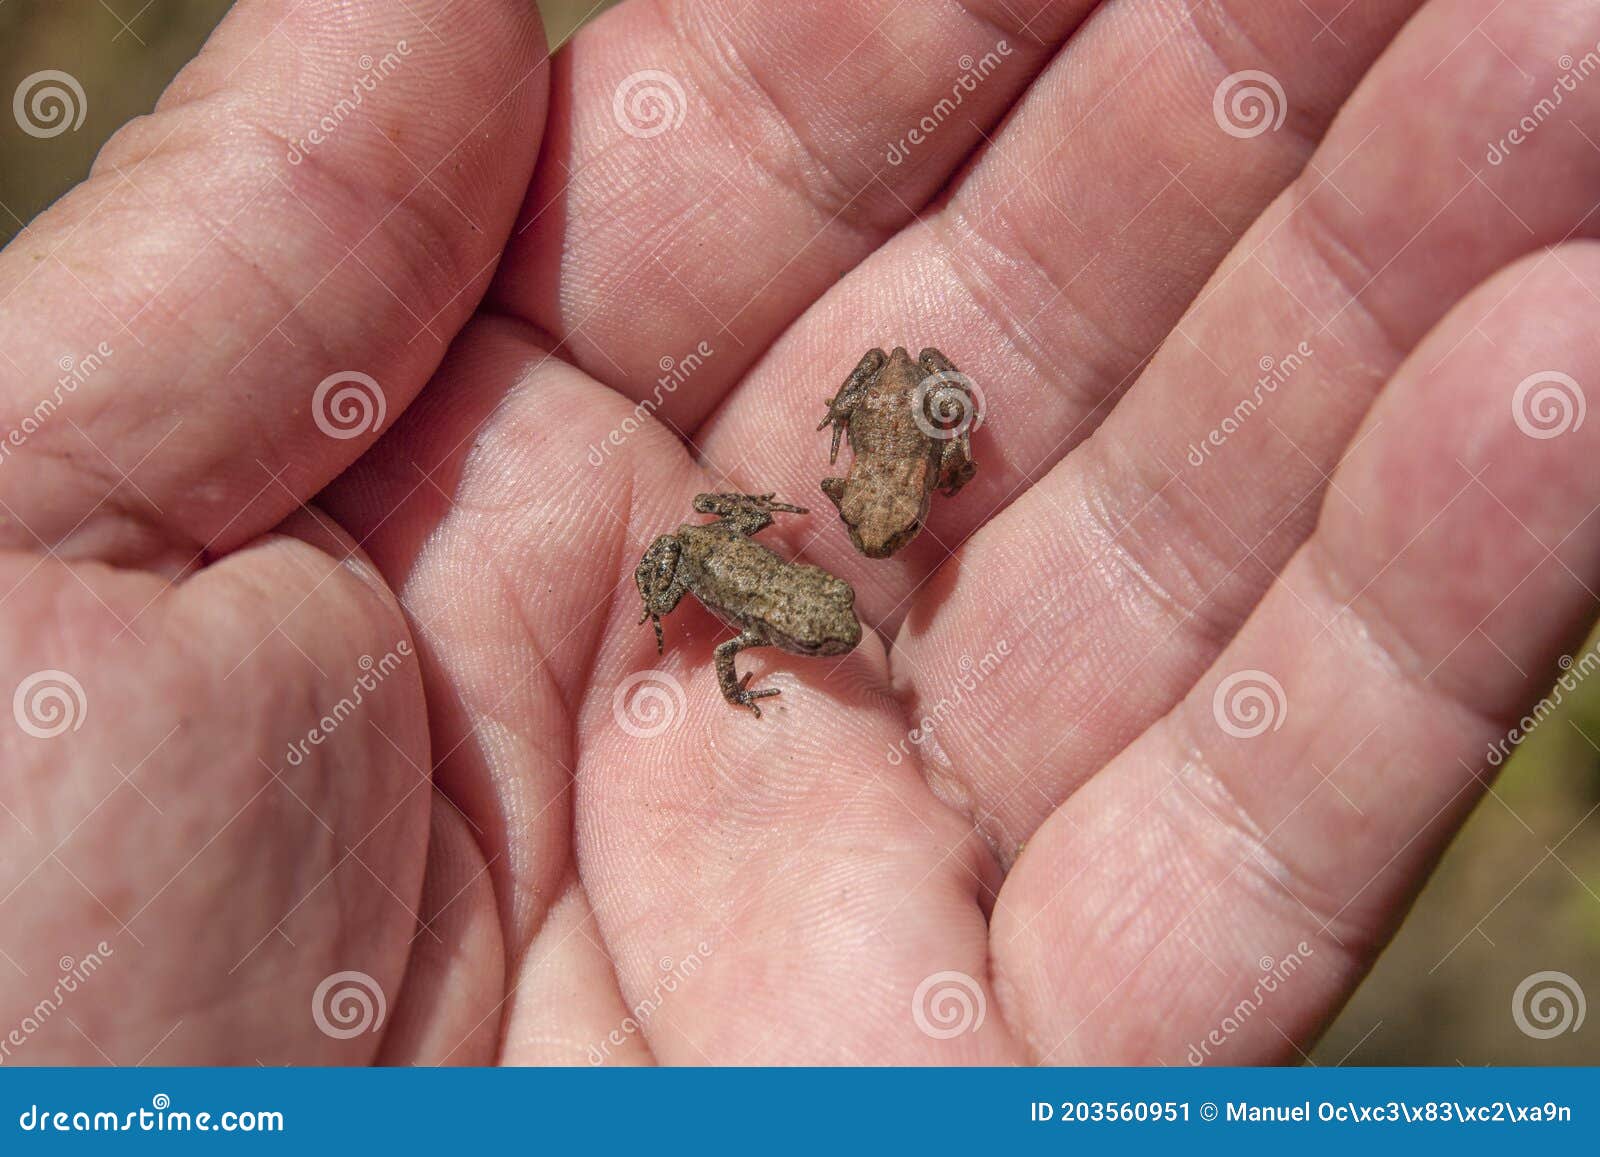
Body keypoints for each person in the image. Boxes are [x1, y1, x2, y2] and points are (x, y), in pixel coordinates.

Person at [0, 0, 1590, 1064]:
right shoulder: (764, 611)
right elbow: (731, 633)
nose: (834, 628)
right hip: (712, 566)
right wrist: (716, 642)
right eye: (822, 627)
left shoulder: (804, 595)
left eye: (824, 627)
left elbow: (784, 601)